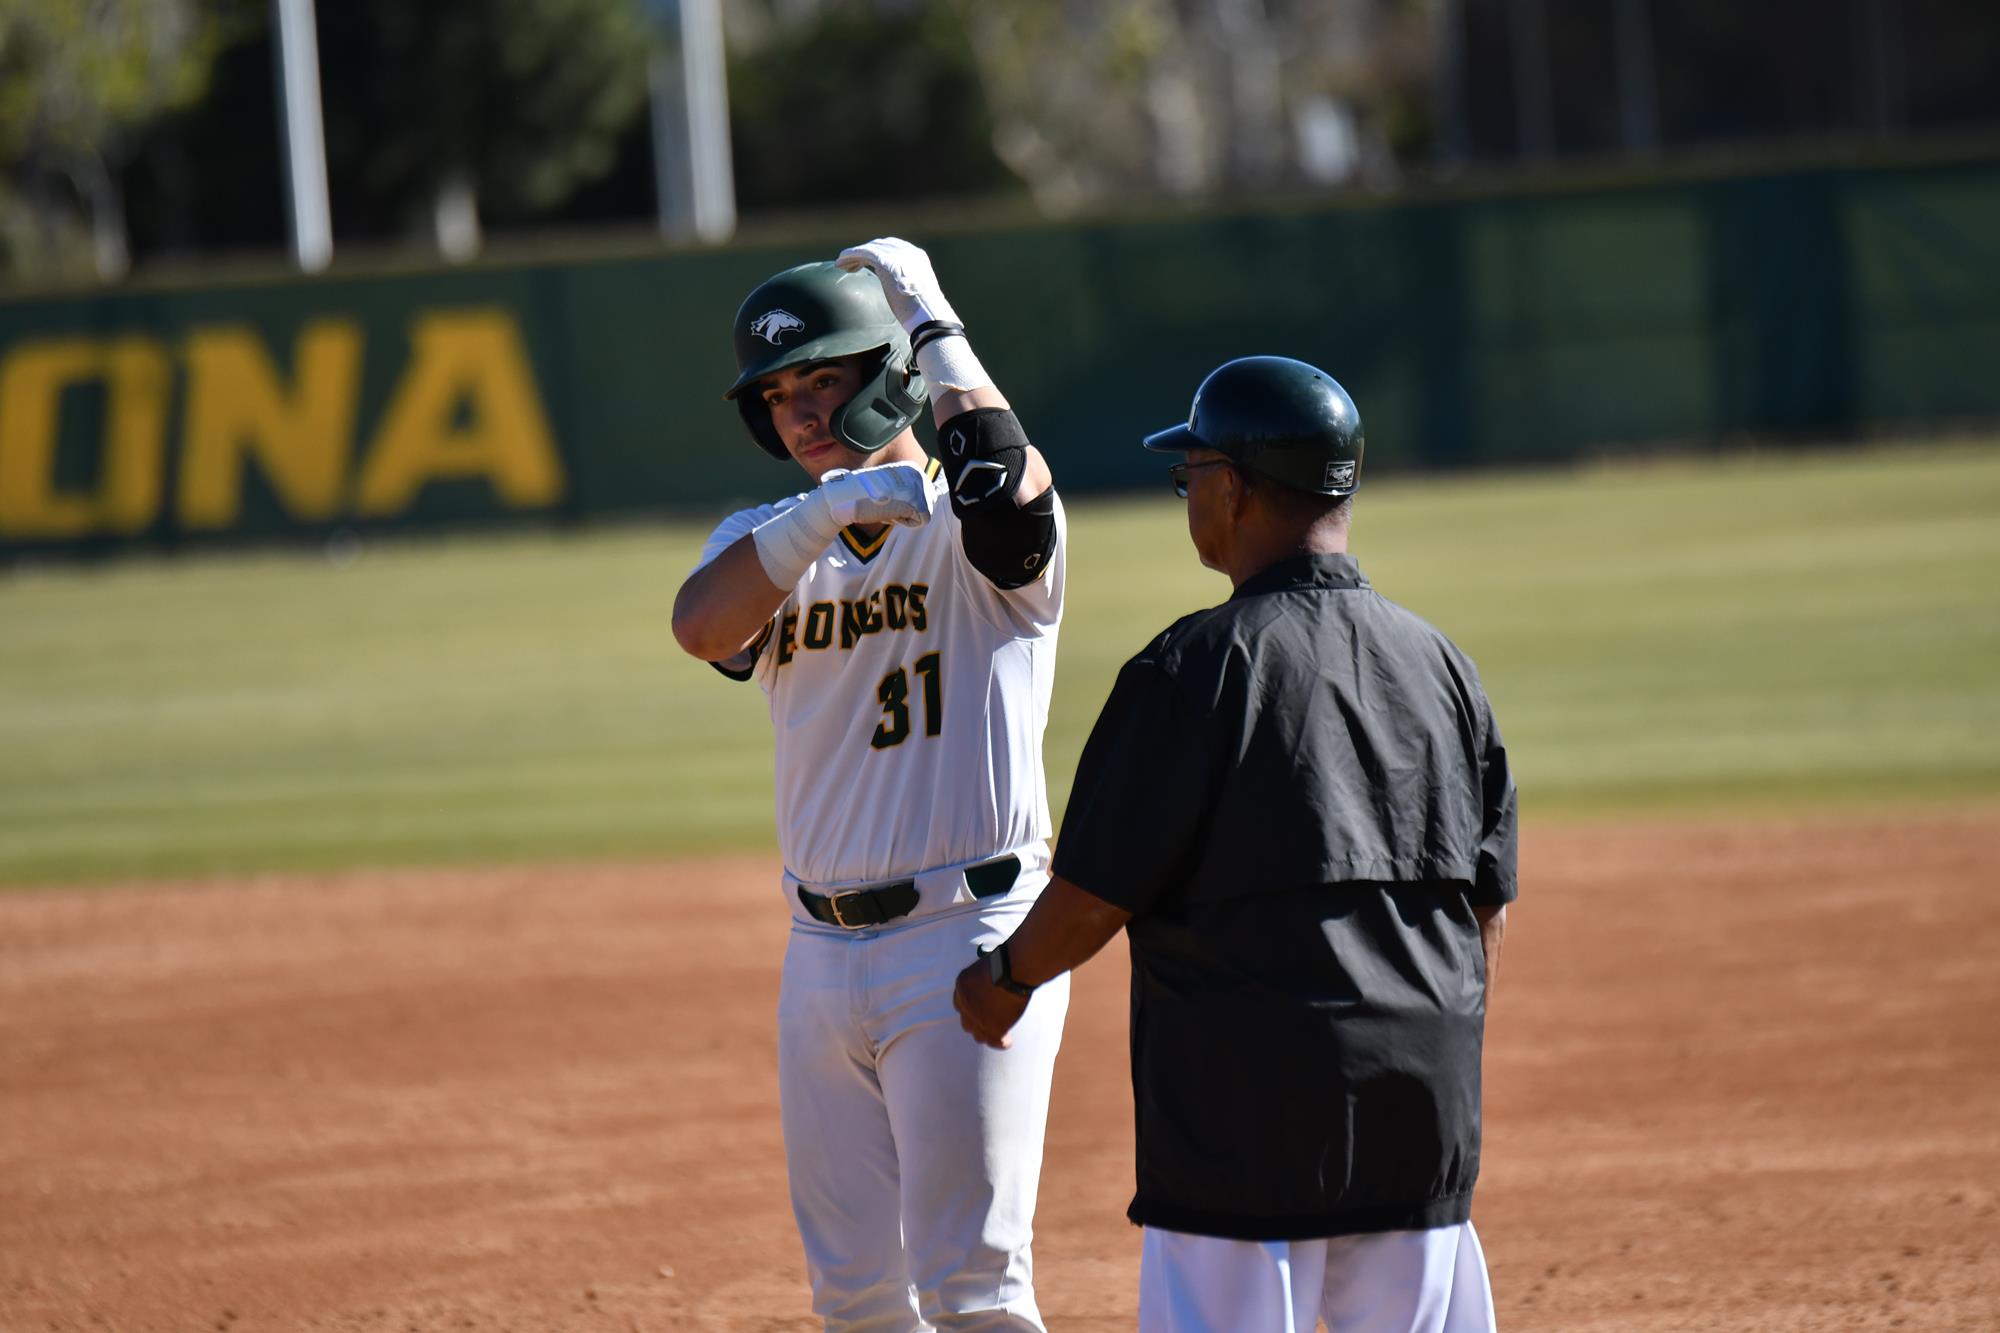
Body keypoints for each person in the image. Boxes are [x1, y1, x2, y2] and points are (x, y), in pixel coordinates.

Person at [952, 355, 1517, 1333]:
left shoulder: (1193, 668)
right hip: (1419, 1109)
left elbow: (1092, 893)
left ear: (1237, 487)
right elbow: (1482, 903)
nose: (1189, 497)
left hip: (1242, 1122)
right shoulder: (1442, 667)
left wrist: (1002, 978)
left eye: (1192, 474)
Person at [672, 238, 1069, 1332]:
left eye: (824, 378)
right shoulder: (766, 543)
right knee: (852, 1295)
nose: (798, 411)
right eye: (779, 392)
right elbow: (698, 625)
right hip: (817, 954)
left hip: (963, 934)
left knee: (974, 1289)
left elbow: (1010, 494)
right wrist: (817, 518)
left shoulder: (967, 522)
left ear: (885, 374)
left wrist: (932, 316)